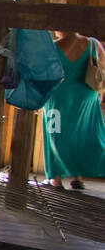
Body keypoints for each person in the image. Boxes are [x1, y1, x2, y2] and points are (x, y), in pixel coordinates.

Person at [42, 31, 105, 190]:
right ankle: (77, 177)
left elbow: (43, 71)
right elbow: (103, 67)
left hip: (59, 95)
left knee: (55, 133)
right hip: (87, 94)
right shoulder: (93, 43)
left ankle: (56, 179)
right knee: (83, 133)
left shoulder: (53, 46)